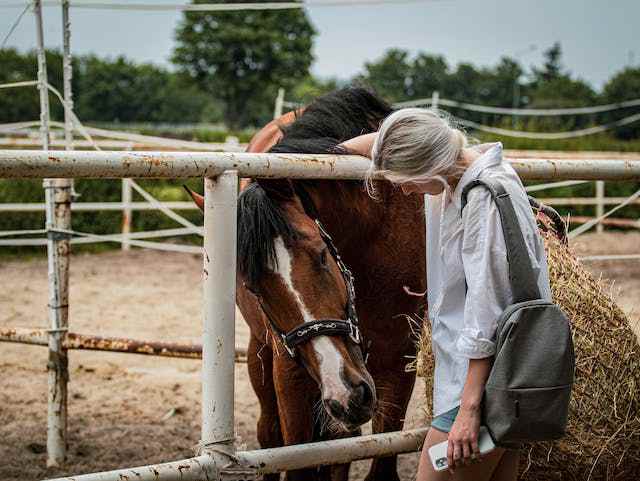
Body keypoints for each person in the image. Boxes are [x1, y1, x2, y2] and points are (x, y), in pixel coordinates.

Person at [339, 108, 553, 481]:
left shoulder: (484, 199)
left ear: (429, 164)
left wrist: (468, 411)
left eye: (406, 180)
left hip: (479, 389)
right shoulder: (464, 178)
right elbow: (393, 138)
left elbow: (487, 315)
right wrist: (325, 149)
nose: (404, 190)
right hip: (505, 383)